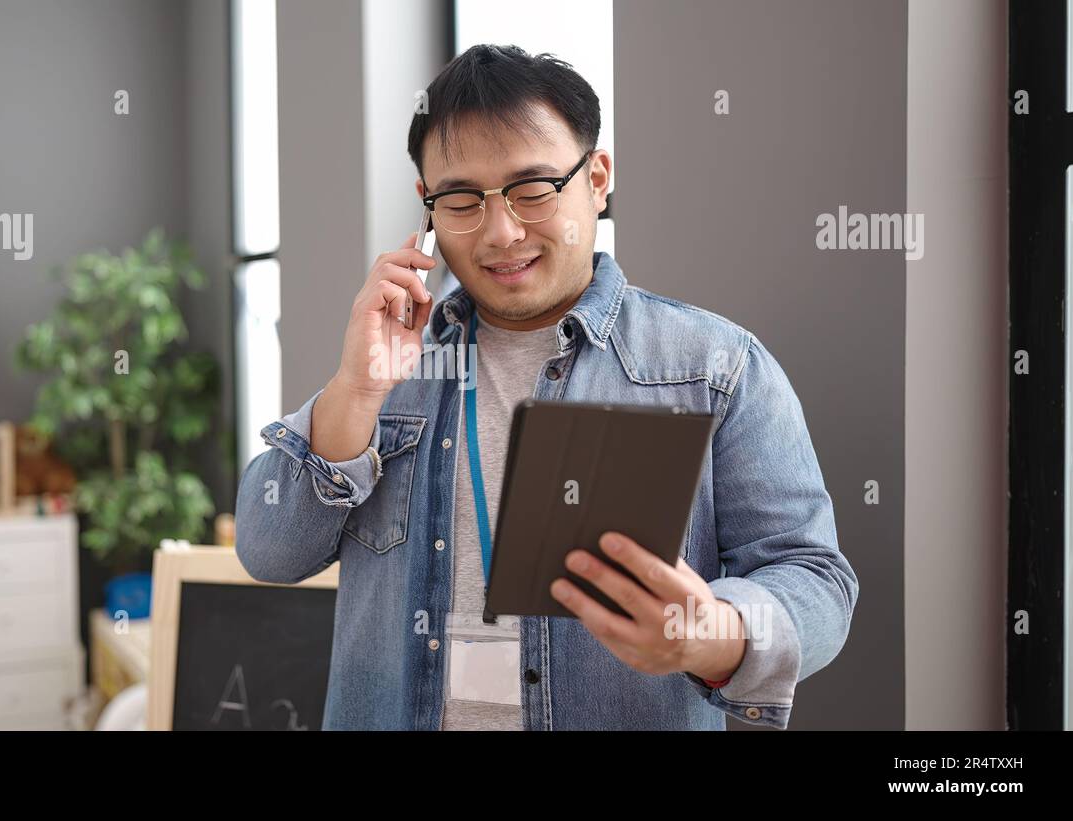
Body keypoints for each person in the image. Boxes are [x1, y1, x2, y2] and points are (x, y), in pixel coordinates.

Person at [235, 44, 858, 730]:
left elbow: (815, 580)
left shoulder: (715, 366)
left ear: (596, 178)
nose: (502, 232)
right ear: (427, 210)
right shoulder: (392, 367)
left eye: (533, 190)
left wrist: (710, 632)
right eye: (463, 200)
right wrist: (355, 390)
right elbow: (269, 549)